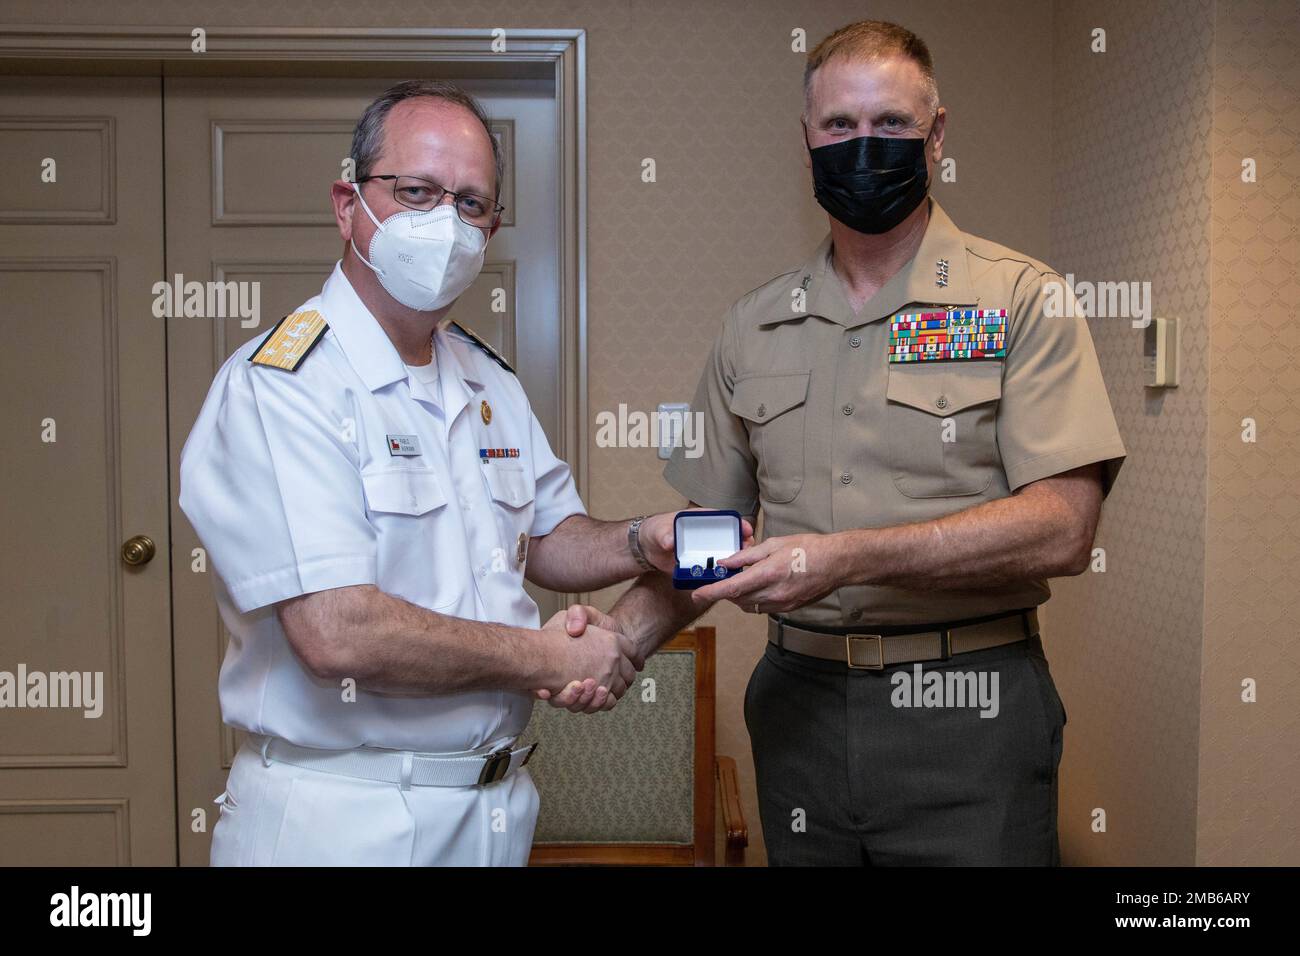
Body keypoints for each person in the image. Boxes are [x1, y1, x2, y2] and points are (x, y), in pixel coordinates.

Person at [560, 20, 1127, 865]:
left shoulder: (1019, 299)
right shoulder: (752, 325)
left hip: (968, 709)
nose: (865, 148)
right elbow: (710, 531)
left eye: (891, 124)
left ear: (936, 134)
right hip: (799, 711)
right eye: (840, 127)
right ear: (807, 140)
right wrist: (623, 641)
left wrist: (843, 557)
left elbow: (1063, 528)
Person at [178, 80, 723, 866]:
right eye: (416, 192)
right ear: (347, 204)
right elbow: (337, 632)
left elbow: (546, 537)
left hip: (495, 811)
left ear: (492, 228)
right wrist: (551, 658)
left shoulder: (484, 377)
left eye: (471, 204)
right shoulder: (281, 386)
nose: (446, 222)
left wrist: (645, 542)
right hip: (343, 819)